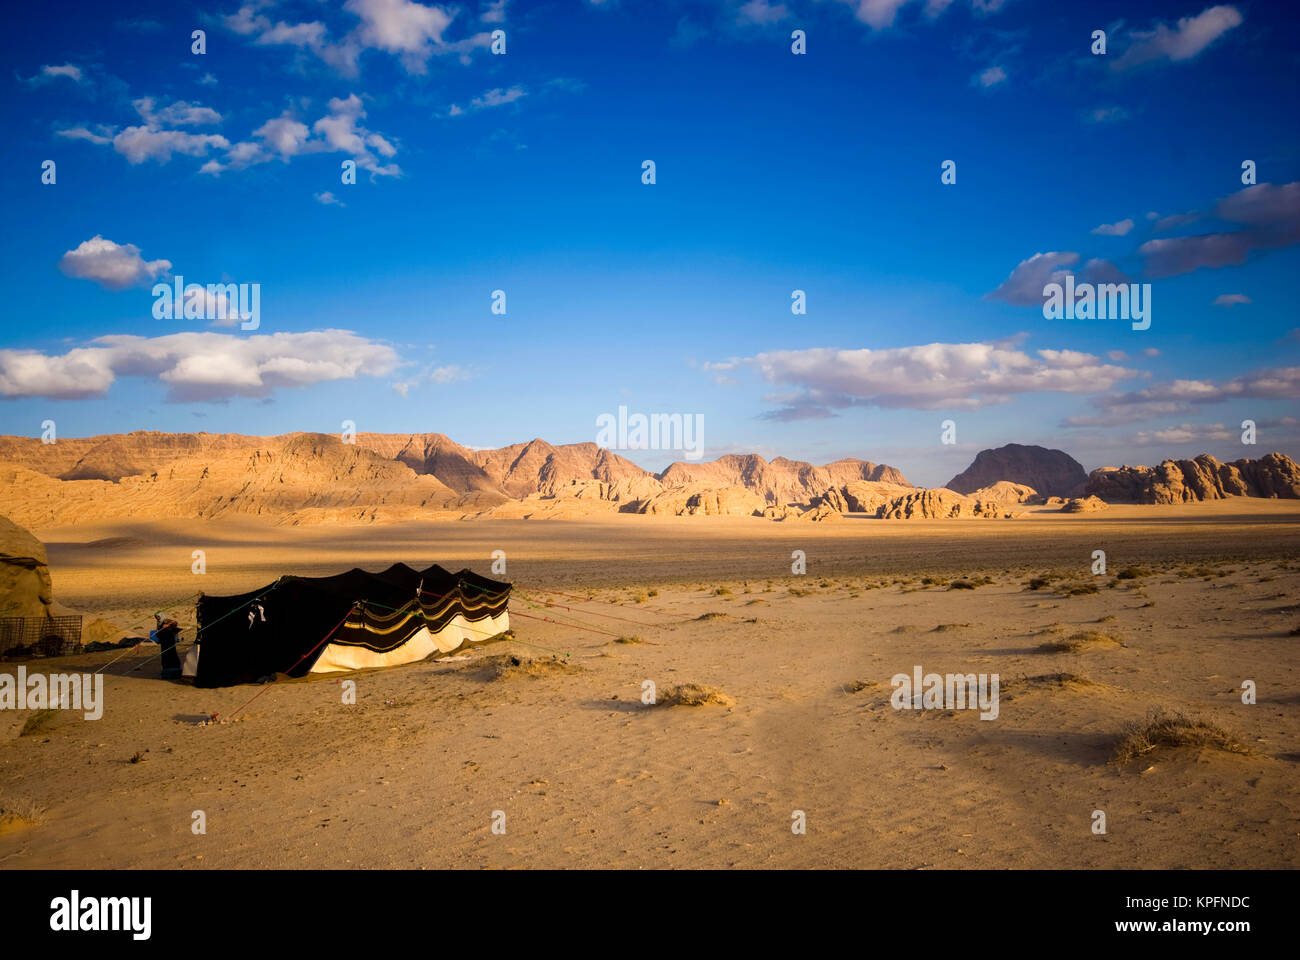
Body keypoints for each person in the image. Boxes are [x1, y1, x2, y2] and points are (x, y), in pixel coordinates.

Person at [154, 614, 183, 680]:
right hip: (164, 644)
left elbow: (175, 623)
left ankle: (173, 672)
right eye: (156, 617)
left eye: (158, 616)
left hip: (170, 643)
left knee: (172, 655)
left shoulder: (166, 621)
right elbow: (159, 634)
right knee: (166, 656)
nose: (157, 618)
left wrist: (168, 625)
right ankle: (167, 672)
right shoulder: (160, 625)